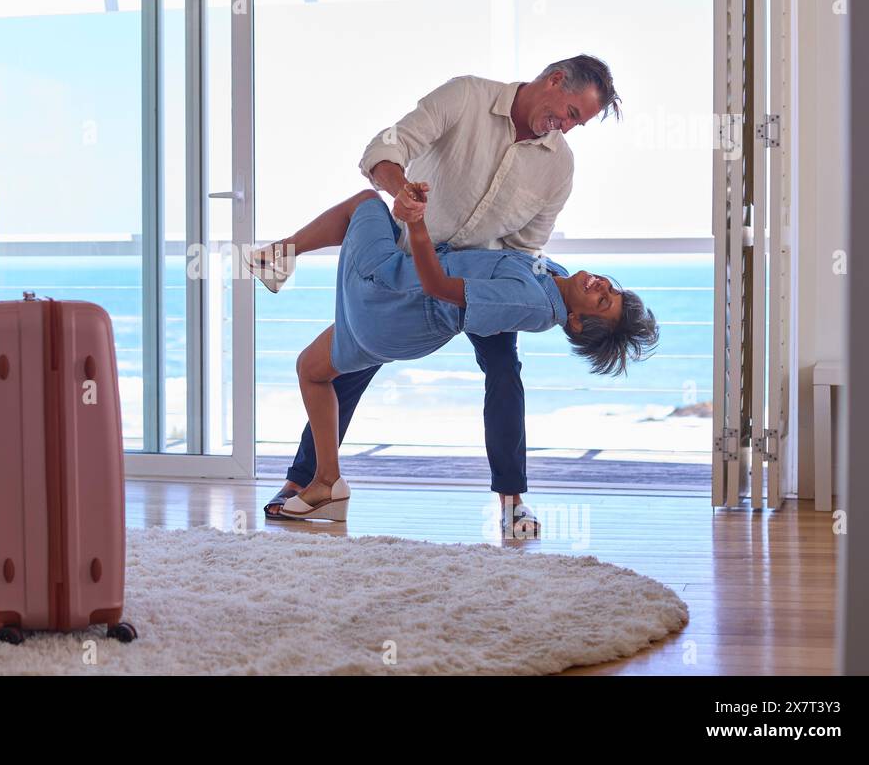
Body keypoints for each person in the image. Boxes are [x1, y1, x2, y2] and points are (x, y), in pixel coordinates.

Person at [258, 56, 623, 535]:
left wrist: (517, 295)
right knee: (353, 361)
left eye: (578, 123)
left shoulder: (559, 165)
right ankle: (306, 477)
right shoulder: (468, 96)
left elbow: (527, 244)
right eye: (572, 113)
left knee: (504, 370)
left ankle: (512, 503)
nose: (568, 128)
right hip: (412, 254)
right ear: (555, 80)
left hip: (483, 278)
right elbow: (387, 147)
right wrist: (401, 191)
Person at [247, 186, 658, 522]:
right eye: (612, 289)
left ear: (577, 325)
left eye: (604, 302)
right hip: (391, 321)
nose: (604, 287)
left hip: (393, 299)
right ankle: (325, 481)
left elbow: (441, 289)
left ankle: (278, 257)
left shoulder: (531, 304)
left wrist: (418, 225)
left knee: (366, 203)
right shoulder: (557, 276)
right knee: (310, 369)